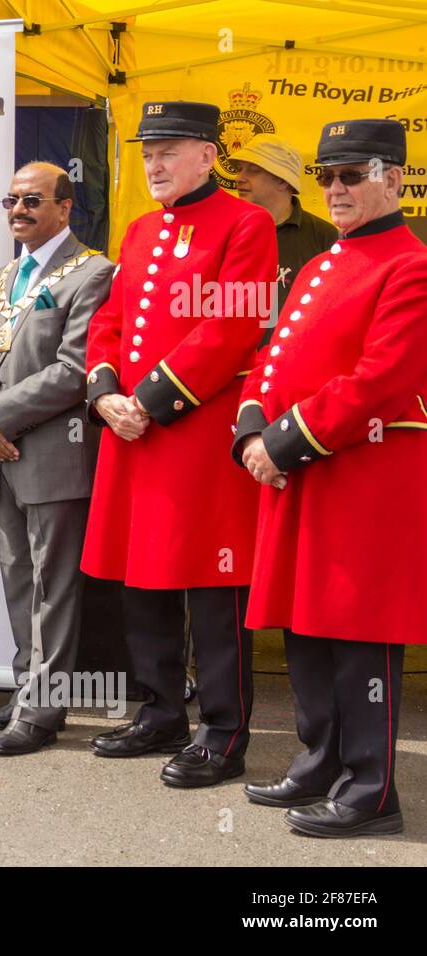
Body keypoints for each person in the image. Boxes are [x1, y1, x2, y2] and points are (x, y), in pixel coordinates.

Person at [233, 119, 427, 837]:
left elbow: (382, 381)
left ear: (394, 179)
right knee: (307, 621)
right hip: (303, 467)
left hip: (363, 471)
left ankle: (373, 791)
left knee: (358, 626)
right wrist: (251, 424)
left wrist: (281, 443)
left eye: (354, 174)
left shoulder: (412, 263)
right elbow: (272, 360)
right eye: (327, 176)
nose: (337, 188)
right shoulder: (319, 266)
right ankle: (322, 759)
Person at [83, 102, 276, 786]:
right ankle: (161, 710)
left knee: (213, 583)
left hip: (193, 430)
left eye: (170, 151)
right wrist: (104, 389)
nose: (155, 164)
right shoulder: (137, 230)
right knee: (143, 579)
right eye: (148, 152)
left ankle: (224, 732)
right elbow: (109, 318)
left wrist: (150, 402)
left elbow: (231, 329)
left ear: (208, 155)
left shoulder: (246, 223)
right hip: (133, 432)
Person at [0, 162, 115, 756]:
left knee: (55, 585)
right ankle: (25, 687)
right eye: (11, 200)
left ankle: (44, 709)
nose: (18, 210)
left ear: (65, 207)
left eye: (32, 200)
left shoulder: (93, 272)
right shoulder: (2, 277)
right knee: (17, 578)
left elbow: (76, 370)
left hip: (54, 453)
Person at [230, 134, 338, 337]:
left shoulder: (323, 236)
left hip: (294, 362)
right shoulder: (227, 230)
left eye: (253, 170)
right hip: (232, 363)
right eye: (240, 169)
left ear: (282, 180)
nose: (239, 177)